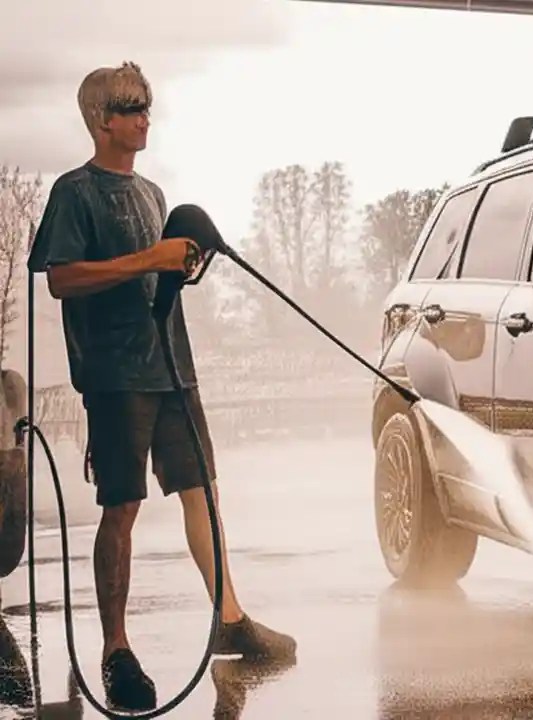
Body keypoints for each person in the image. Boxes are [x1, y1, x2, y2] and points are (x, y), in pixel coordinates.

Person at [27, 61, 295, 712]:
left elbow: (157, 278)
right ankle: (116, 650)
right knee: (122, 508)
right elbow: (62, 279)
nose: (145, 115)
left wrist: (183, 262)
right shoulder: (76, 192)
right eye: (130, 106)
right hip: (117, 379)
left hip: (173, 367)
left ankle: (230, 620)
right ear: (100, 119)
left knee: (202, 493)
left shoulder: (151, 193)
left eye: (147, 104)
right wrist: (151, 258)